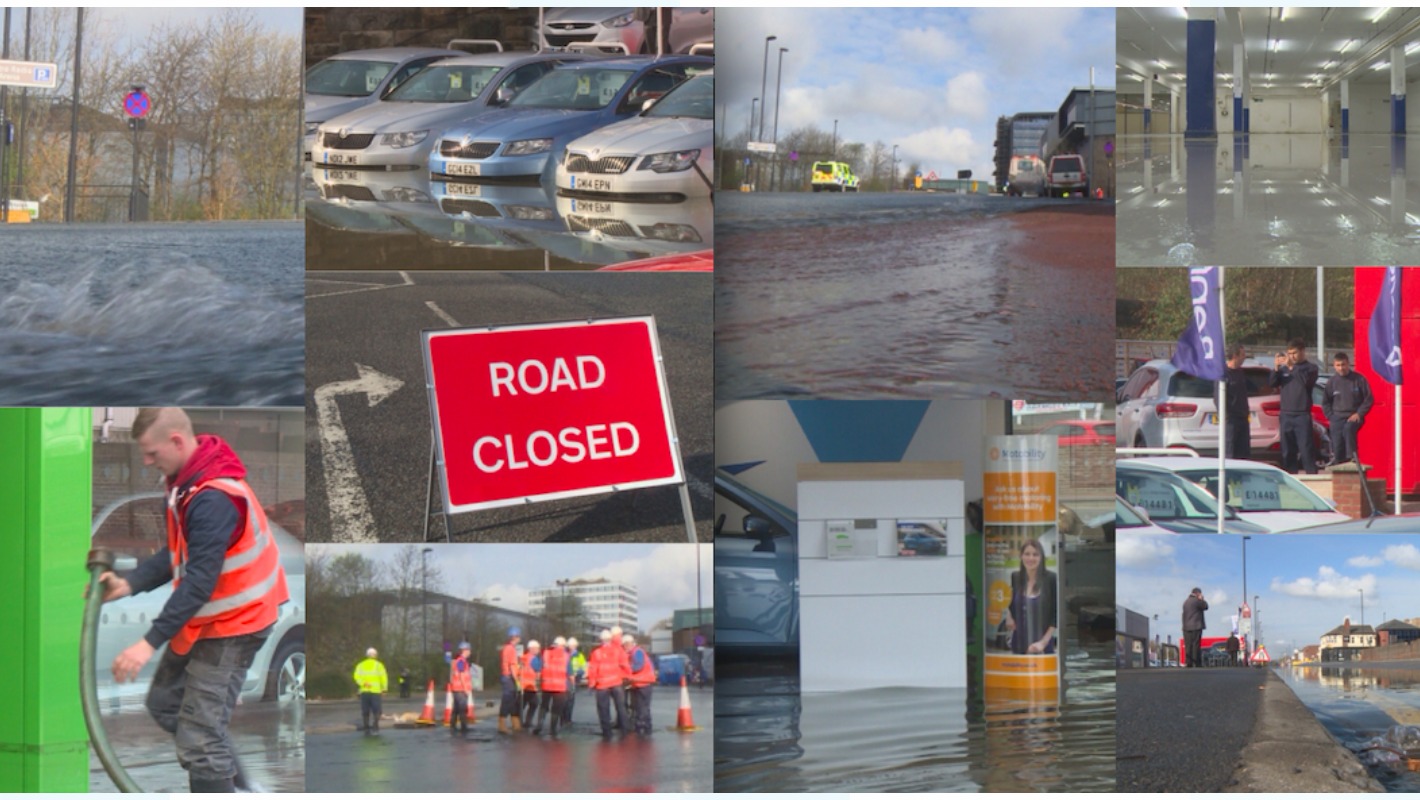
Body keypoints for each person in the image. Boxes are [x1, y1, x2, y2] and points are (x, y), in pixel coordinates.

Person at [98, 407, 290, 793]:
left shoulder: (211, 498)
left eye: (152, 454)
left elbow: (199, 581)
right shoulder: (188, 483)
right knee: (169, 706)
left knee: (200, 740)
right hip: (210, 622)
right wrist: (129, 584)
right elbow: (179, 555)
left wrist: (146, 644)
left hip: (237, 624)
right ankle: (240, 788)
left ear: (177, 441)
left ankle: (228, 784)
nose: (148, 462)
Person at [1270, 338, 1320, 474]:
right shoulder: (1284, 369)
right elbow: (1272, 383)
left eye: (1294, 353)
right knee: (1287, 449)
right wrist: (1276, 368)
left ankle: (1311, 475)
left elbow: (1304, 382)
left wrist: (1292, 367)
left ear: (1302, 352)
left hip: (1302, 414)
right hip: (1286, 414)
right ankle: (1291, 475)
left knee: (1306, 448)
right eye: (1289, 353)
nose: (1291, 356)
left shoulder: (1310, 368)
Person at [1002, 539, 1058, 655]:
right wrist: (1009, 616)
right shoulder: (1016, 577)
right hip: (1018, 643)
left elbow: (1055, 615)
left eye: (1035, 554)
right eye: (1027, 554)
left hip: (1042, 645)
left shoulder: (1051, 579)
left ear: (1041, 557)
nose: (1030, 558)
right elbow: (1012, 602)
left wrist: (1043, 643)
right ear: (1021, 556)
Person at [1324, 352, 1373, 466]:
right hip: (1337, 417)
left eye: (1343, 365)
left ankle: (1352, 457)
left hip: (1354, 415)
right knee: (1337, 441)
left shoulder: (1359, 379)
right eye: (1338, 365)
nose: (1341, 368)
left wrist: (1359, 413)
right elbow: (1326, 402)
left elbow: (1368, 399)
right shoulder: (1331, 382)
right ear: (1334, 366)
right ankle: (1338, 460)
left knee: (1348, 428)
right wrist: (1331, 417)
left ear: (1348, 364)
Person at [588, 629, 629, 738]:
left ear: (600, 640)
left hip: (602, 685)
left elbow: (593, 670)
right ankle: (625, 731)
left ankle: (607, 732)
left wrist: (592, 684)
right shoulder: (618, 650)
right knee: (621, 707)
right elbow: (625, 666)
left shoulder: (596, 653)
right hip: (616, 683)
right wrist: (624, 677)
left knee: (603, 709)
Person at [1217, 343, 1252, 459]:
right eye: (1243, 354)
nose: (1245, 357)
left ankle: (1242, 476)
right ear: (1235, 356)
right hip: (1230, 420)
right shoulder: (1223, 374)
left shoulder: (1241, 373)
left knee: (1244, 454)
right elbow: (1217, 397)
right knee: (1229, 452)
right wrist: (1225, 415)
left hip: (1243, 418)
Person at [535, 637, 573, 737]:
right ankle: (553, 730)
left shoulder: (546, 654)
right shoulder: (566, 656)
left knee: (543, 706)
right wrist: (572, 687)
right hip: (560, 688)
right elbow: (570, 674)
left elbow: (538, 669)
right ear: (563, 646)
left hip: (546, 686)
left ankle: (539, 725)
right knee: (556, 709)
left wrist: (538, 682)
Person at [623, 635, 656, 736]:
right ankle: (645, 726)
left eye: (624, 645)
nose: (624, 648)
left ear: (628, 644)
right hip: (639, 683)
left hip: (643, 683)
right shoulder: (635, 652)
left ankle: (642, 726)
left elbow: (638, 666)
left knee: (642, 707)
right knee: (641, 706)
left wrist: (626, 671)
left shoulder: (637, 652)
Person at [353, 648, 388, 735]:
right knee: (377, 710)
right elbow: (384, 678)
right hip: (375, 691)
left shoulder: (360, 665)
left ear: (367, 655)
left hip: (364, 691)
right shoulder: (379, 665)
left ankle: (366, 727)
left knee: (365, 710)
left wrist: (363, 684)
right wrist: (384, 689)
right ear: (375, 655)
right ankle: (375, 726)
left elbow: (356, 677)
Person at [498, 627, 522, 734]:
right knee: (508, 700)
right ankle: (502, 724)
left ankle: (515, 722)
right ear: (515, 637)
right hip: (509, 677)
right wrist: (517, 680)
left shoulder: (506, 648)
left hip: (506, 676)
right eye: (518, 636)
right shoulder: (511, 649)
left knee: (513, 701)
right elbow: (512, 666)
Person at [449, 642, 474, 735]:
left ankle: (453, 726)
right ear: (465, 650)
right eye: (469, 650)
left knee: (456, 709)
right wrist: (466, 689)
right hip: (460, 689)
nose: (470, 652)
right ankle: (464, 727)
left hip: (456, 689)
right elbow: (462, 675)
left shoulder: (458, 661)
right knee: (463, 709)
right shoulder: (461, 661)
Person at [563, 637, 587, 725]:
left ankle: (567, 718)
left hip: (574, 679)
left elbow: (584, 667)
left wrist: (577, 673)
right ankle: (564, 718)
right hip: (564, 679)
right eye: (570, 645)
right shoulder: (564, 654)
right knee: (565, 700)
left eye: (573, 645)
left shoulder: (579, 656)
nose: (572, 647)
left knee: (570, 700)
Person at [1182, 588, 1208, 668]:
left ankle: (1188, 662)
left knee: (1188, 645)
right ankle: (1196, 663)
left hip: (1186, 627)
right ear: (1198, 593)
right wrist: (1202, 599)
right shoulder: (1197, 601)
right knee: (1196, 645)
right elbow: (1205, 606)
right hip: (1196, 626)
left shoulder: (1185, 602)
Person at [519, 640, 542, 730]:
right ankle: (527, 722)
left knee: (522, 705)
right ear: (531, 649)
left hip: (522, 685)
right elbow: (538, 672)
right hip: (530, 686)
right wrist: (539, 683)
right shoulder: (534, 659)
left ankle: (519, 722)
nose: (538, 650)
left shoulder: (523, 657)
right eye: (537, 648)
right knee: (534, 704)